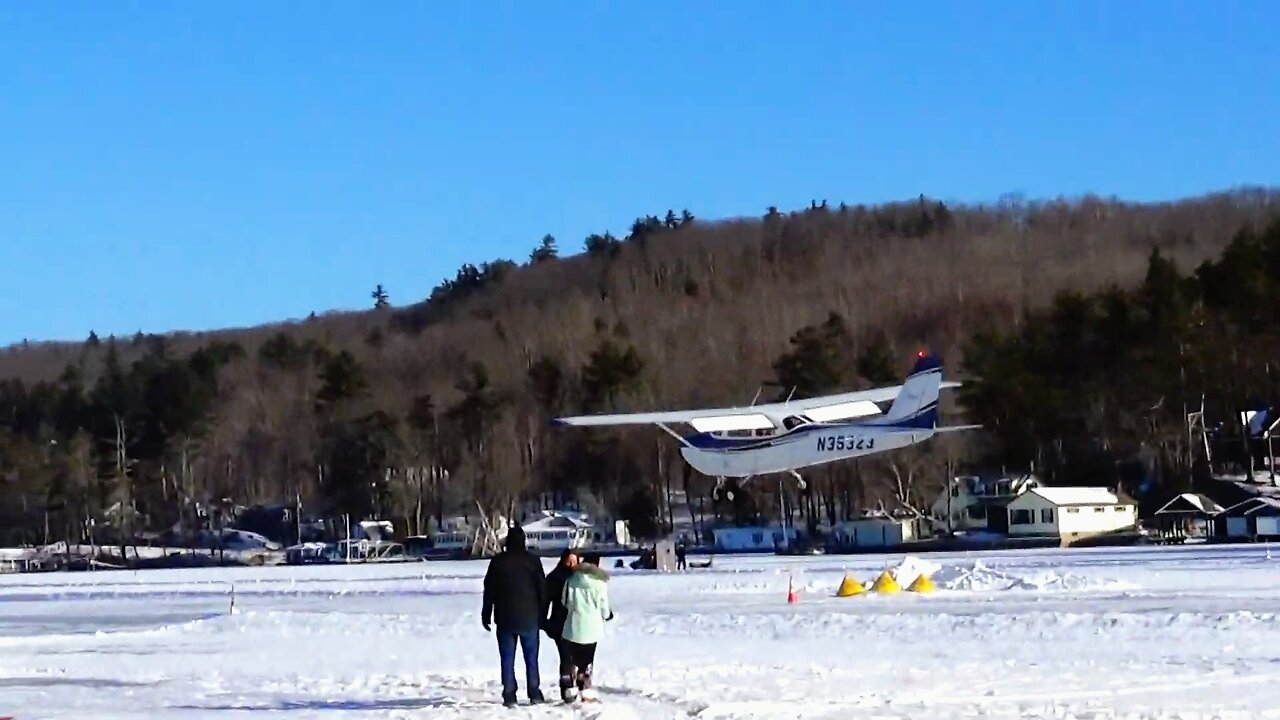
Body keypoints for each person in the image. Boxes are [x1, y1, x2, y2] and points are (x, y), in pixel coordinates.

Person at [481, 525, 547, 707]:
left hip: (504, 618)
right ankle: (534, 692)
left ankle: (509, 693)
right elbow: (542, 589)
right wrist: (543, 615)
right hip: (529, 617)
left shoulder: (498, 562)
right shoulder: (533, 561)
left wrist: (486, 613)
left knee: (507, 658)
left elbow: (489, 590)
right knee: (531, 657)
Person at [560, 552, 614, 703]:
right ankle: (585, 689)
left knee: (571, 660)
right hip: (592, 627)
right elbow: (604, 608)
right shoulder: (600, 583)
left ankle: (570, 690)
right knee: (587, 660)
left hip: (573, 625)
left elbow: (564, 601)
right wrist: (608, 615)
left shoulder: (571, 580)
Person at [541, 549, 579, 701]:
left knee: (575, 658)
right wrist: (544, 622)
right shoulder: (554, 578)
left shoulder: (580, 578)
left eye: (574, 562)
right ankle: (567, 688)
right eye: (569, 561)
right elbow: (545, 601)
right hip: (560, 623)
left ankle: (576, 685)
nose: (571, 564)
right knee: (566, 657)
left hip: (578, 622)